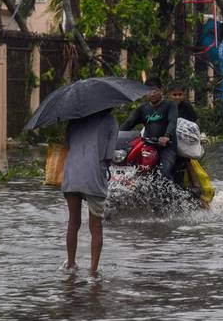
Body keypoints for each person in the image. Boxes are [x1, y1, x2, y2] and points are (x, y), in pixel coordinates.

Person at [61, 109, 118, 274]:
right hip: (93, 175)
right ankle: (93, 271)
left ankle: (71, 263)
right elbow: (109, 156)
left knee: (73, 222)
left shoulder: (74, 119)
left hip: (71, 174)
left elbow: (69, 143)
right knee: (96, 225)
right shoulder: (110, 121)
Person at [120, 78, 178, 180]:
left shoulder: (170, 105)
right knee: (133, 168)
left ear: (161, 90)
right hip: (148, 145)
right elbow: (129, 123)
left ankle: (169, 194)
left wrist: (166, 136)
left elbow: (172, 122)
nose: (151, 94)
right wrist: (117, 136)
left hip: (167, 146)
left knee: (164, 173)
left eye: (154, 90)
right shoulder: (142, 109)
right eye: (148, 91)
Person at [167, 82, 203, 196]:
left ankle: (195, 185)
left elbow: (195, 123)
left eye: (180, 94)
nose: (177, 97)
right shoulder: (165, 106)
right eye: (174, 95)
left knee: (186, 160)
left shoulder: (186, 107)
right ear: (169, 95)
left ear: (184, 95)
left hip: (182, 140)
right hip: (166, 138)